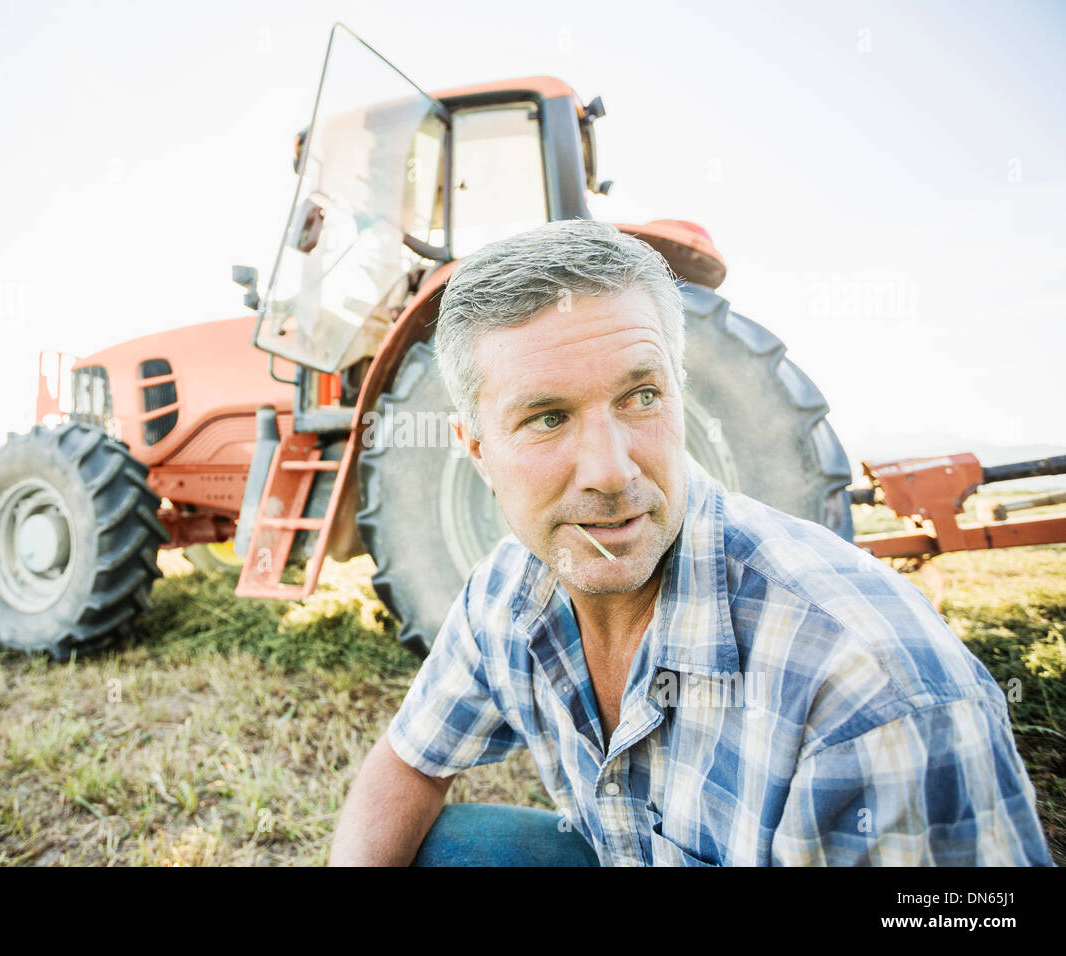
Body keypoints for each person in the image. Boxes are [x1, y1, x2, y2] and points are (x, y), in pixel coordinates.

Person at [327, 219, 1053, 866]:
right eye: (548, 417)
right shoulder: (508, 591)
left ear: (679, 392)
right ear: (477, 451)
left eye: (640, 397)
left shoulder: (866, 692)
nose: (611, 472)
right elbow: (409, 762)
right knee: (452, 850)